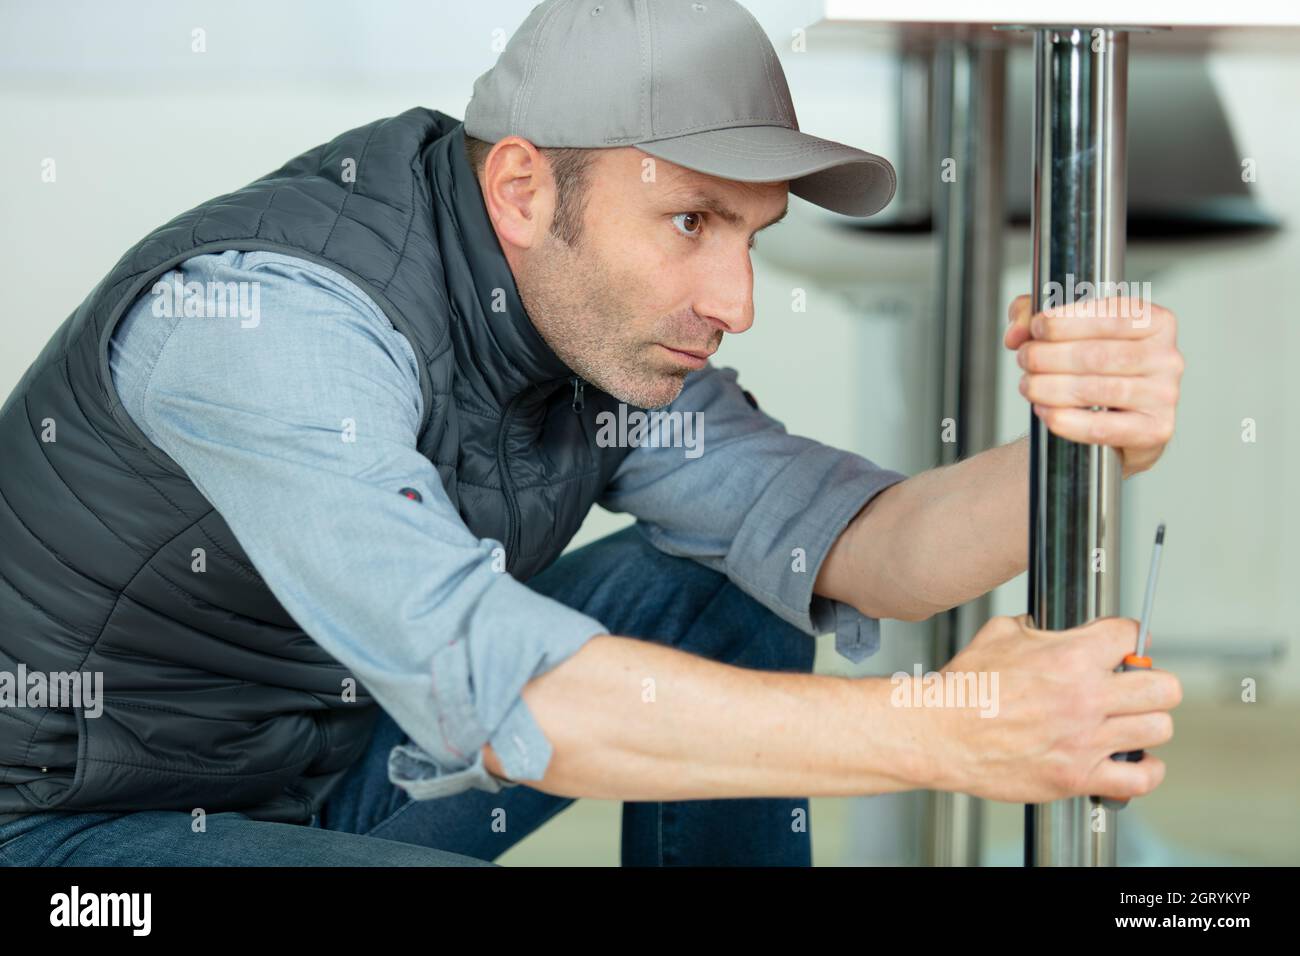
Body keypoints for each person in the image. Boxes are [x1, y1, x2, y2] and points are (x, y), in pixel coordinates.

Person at [0, 0, 1182, 867]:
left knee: (723, 591)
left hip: (322, 778)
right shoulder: (270, 320)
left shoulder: (590, 332)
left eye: (750, 236)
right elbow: (496, 683)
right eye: (687, 220)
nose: (736, 301)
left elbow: (855, 542)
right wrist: (953, 729)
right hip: (70, 836)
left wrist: (1077, 437)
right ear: (521, 189)